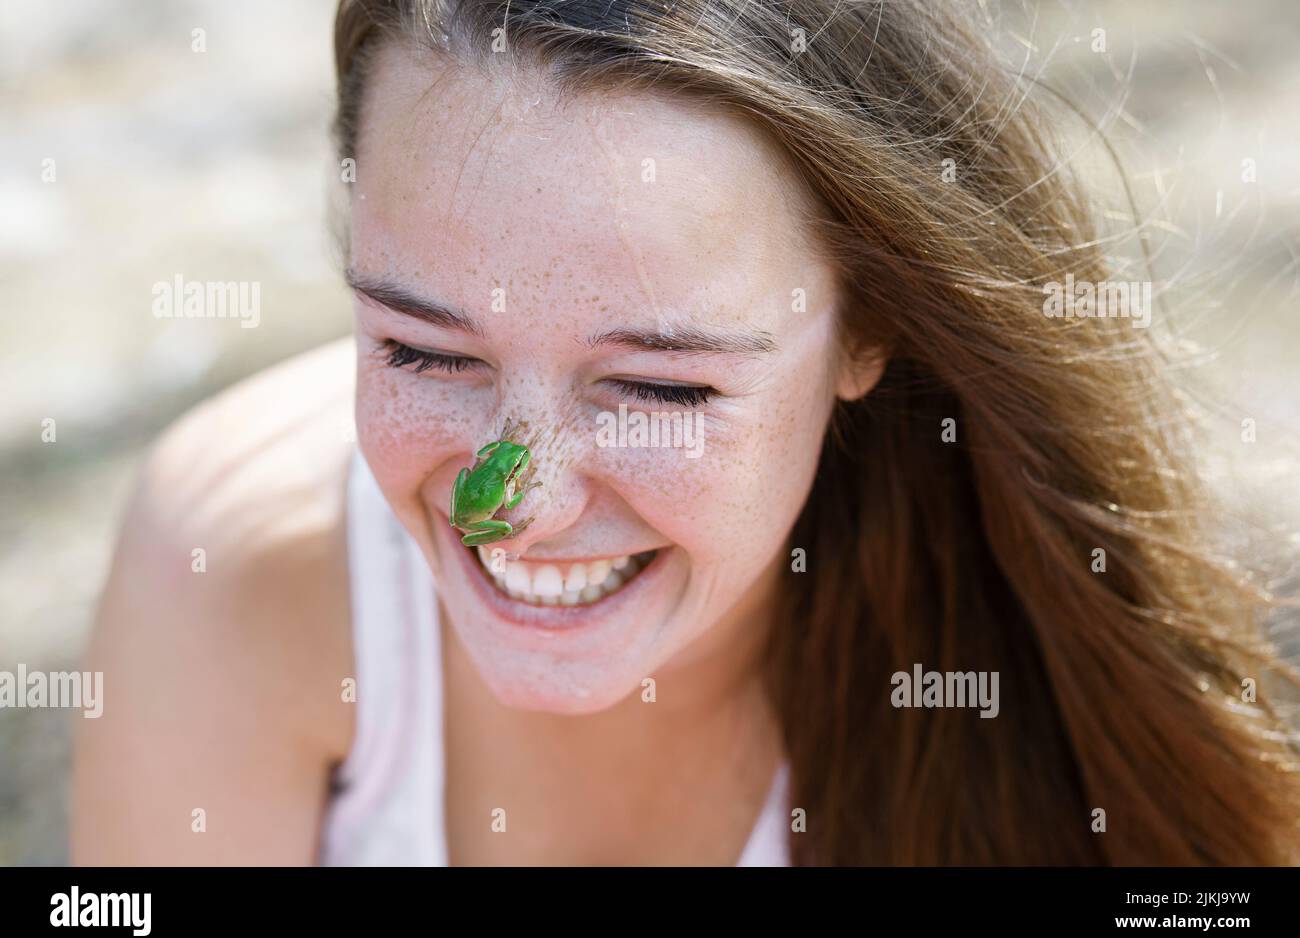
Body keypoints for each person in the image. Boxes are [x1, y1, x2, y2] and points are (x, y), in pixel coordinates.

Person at [71, 0, 1300, 865]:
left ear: (871, 327)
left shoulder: (1063, 677)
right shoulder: (232, 563)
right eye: (424, 351)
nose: (521, 502)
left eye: (659, 386)